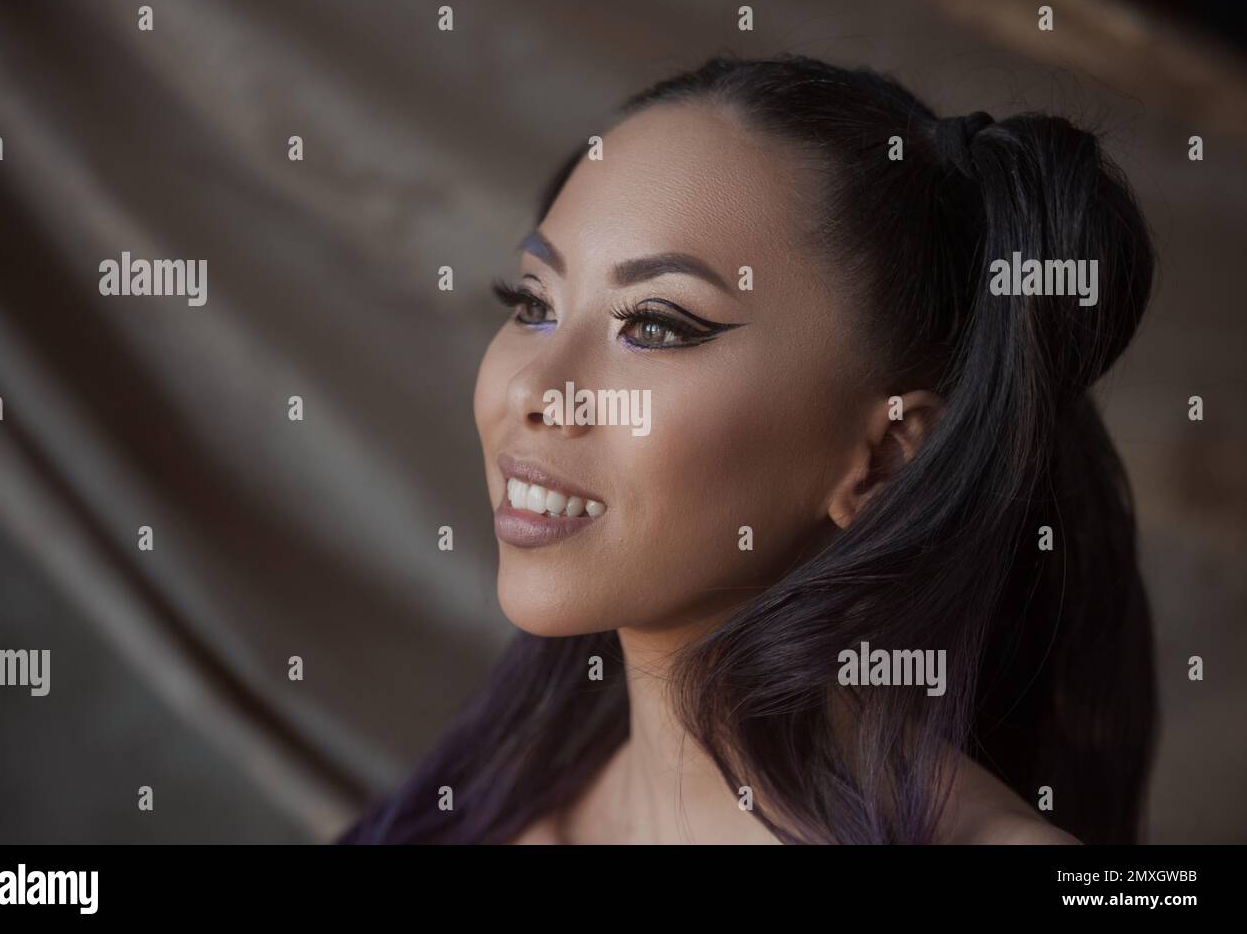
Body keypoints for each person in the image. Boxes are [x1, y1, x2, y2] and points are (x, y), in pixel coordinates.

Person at [340, 52, 1156, 845]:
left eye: (655, 325)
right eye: (532, 302)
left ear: (885, 459)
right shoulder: (475, 809)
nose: (532, 390)